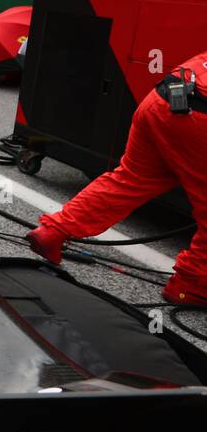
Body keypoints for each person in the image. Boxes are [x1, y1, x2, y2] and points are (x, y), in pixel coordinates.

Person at [27, 49, 207, 307]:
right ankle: (192, 285)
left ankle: (53, 231)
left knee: (130, 178)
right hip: (199, 118)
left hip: (163, 99)